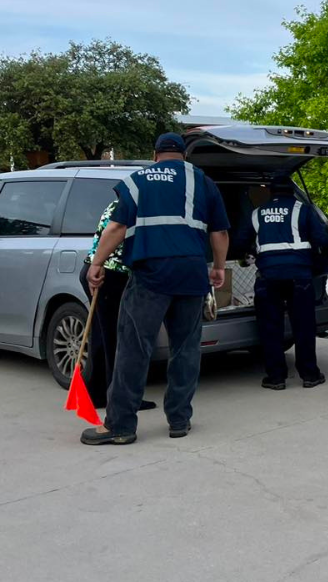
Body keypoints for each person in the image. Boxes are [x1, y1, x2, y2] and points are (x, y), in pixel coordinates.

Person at [81, 133, 230, 446]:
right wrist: (218, 267)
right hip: (190, 275)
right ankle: (179, 420)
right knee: (186, 348)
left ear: (155, 154)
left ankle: (120, 425)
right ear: (184, 156)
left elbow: (116, 227)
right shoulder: (203, 182)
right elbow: (219, 232)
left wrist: (97, 263)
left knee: (133, 348)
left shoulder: (137, 181)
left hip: (151, 275)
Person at [239, 173, 328, 391]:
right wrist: (318, 266)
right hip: (299, 277)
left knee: (269, 327)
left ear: (270, 192)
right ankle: (310, 375)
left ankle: (276, 378)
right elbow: (324, 240)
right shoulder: (303, 210)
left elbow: (240, 241)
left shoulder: (257, 213)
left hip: (268, 277)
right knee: (303, 327)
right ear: (292, 191)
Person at [76, 200, 155, 411]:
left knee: (102, 335)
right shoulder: (134, 206)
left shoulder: (117, 203)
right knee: (118, 338)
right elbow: (116, 233)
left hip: (97, 270)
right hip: (110, 274)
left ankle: (96, 393)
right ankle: (119, 397)